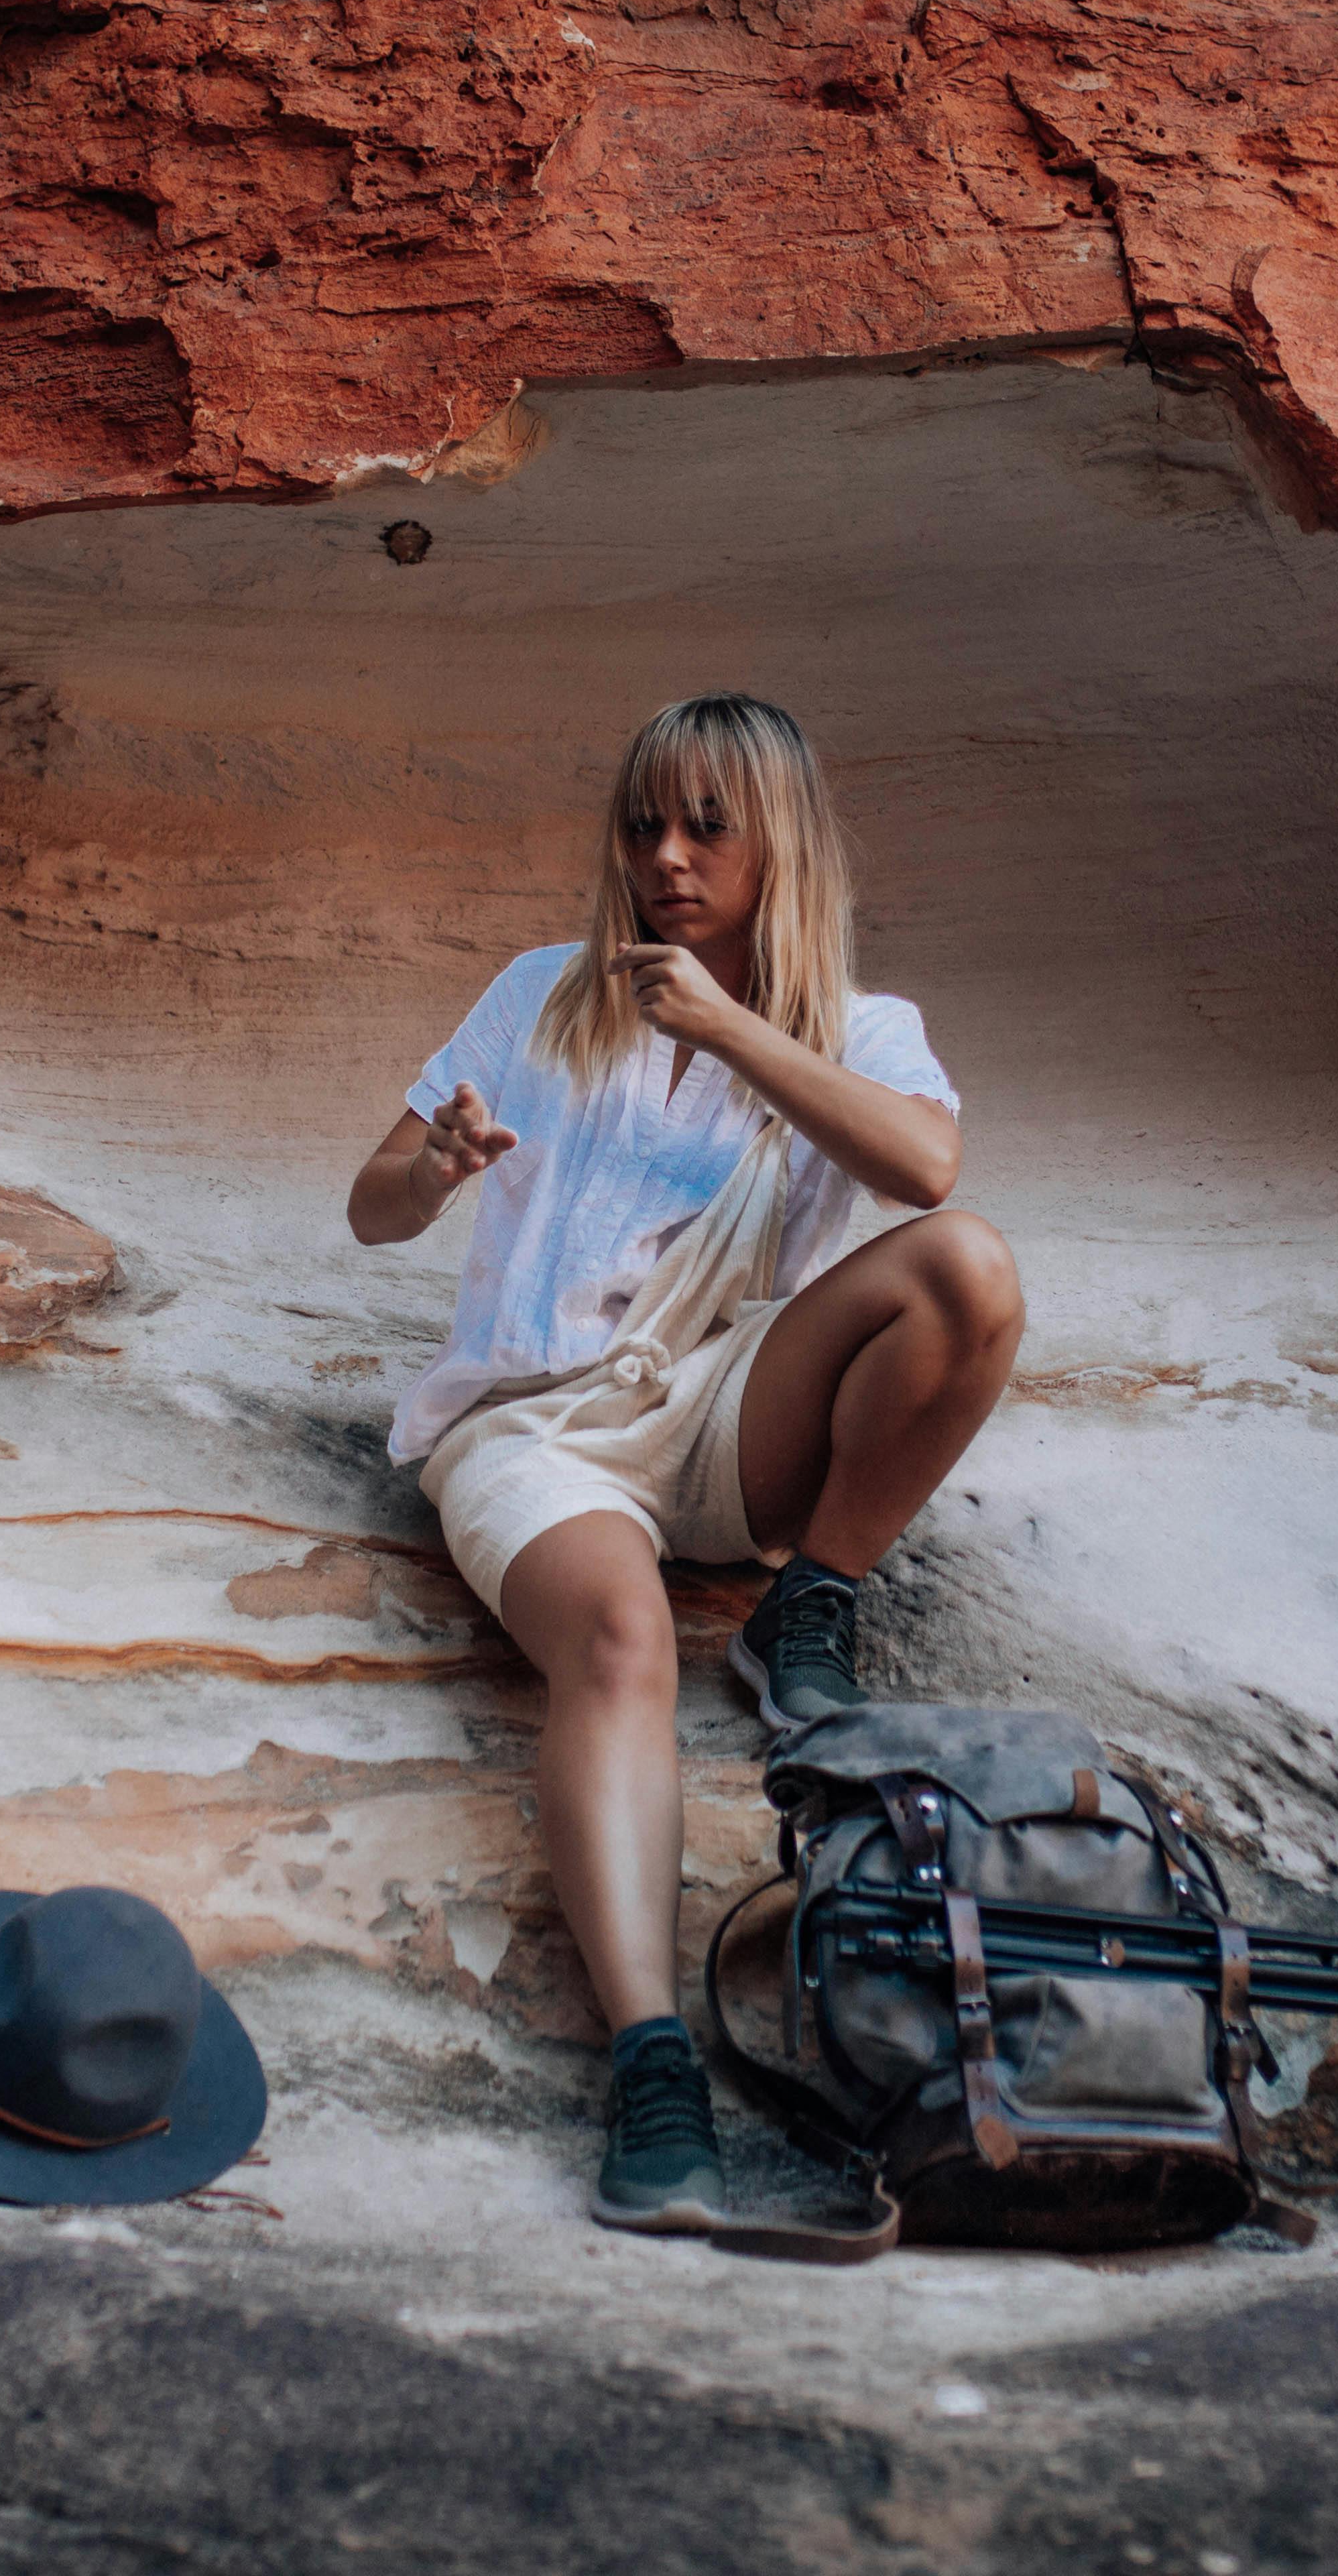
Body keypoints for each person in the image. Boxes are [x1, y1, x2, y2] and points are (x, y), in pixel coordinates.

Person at [346, 692, 1024, 2229]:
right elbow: (371, 1211)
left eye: (706, 825)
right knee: (622, 1631)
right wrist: (435, 1163)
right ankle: (654, 2059)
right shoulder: (538, 991)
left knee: (967, 1269)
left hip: (721, 1399)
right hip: (535, 1426)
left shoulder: (862, 1025)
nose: (665, 856)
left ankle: (812, 1604)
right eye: (643, 823)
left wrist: (730, 1024)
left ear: (778, 838)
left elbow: (921, 1170)